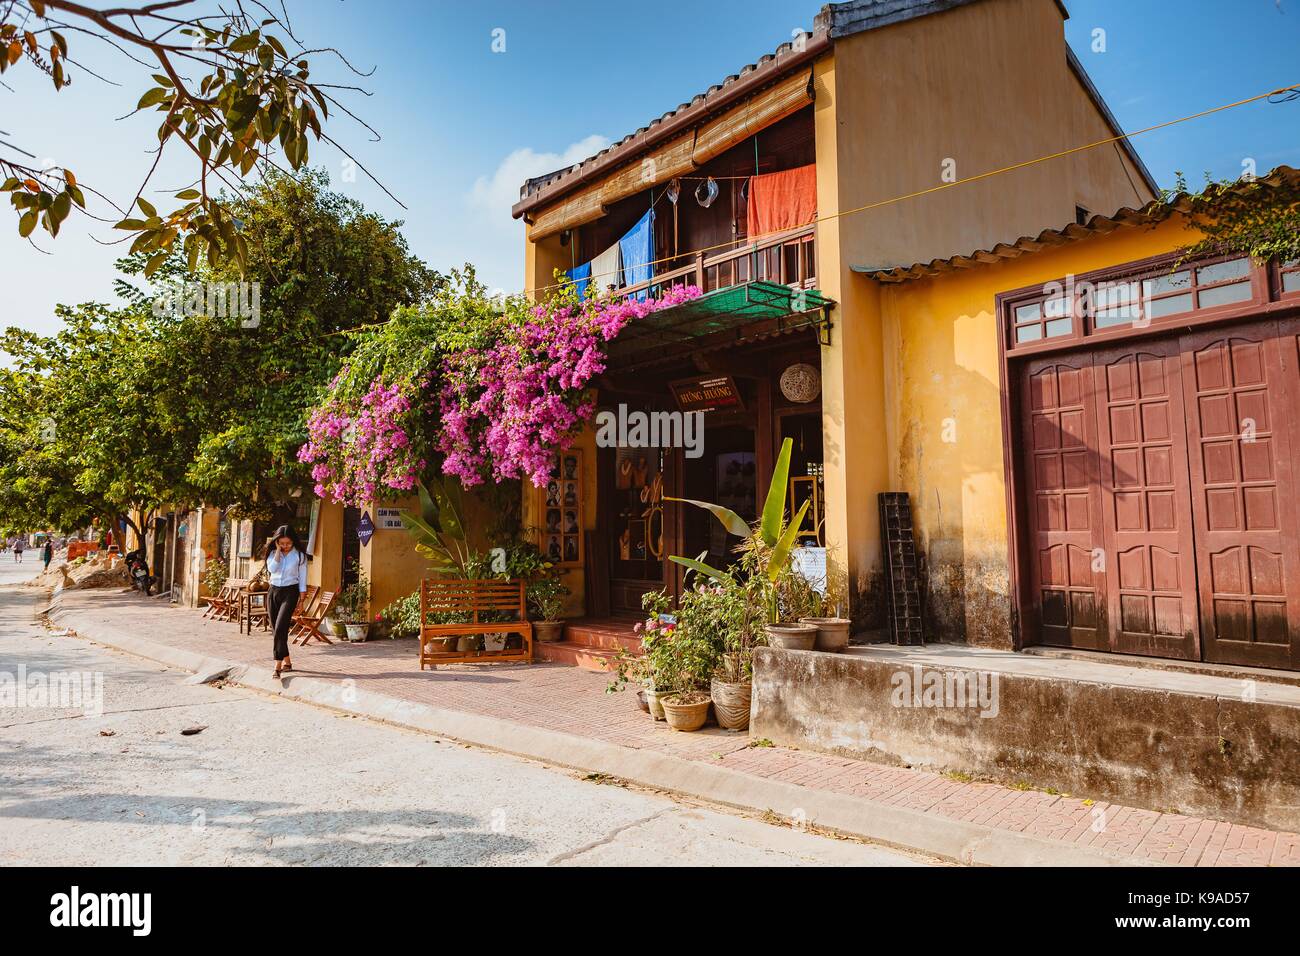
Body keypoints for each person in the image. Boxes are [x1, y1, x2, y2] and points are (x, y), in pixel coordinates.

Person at [265, 525, 307, 680]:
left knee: (281, 626)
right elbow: (272, 569)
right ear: (277, 542)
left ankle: (277, 666)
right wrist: (277, 552)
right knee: (276, 629)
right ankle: (287, 661)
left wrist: (302, 600)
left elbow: (303, 578)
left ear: (293, 541)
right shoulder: (273, 554)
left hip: (290, 592)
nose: (285, 546)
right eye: (282, 543)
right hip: (273, 591)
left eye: (288, 543)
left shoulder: (300, 556)